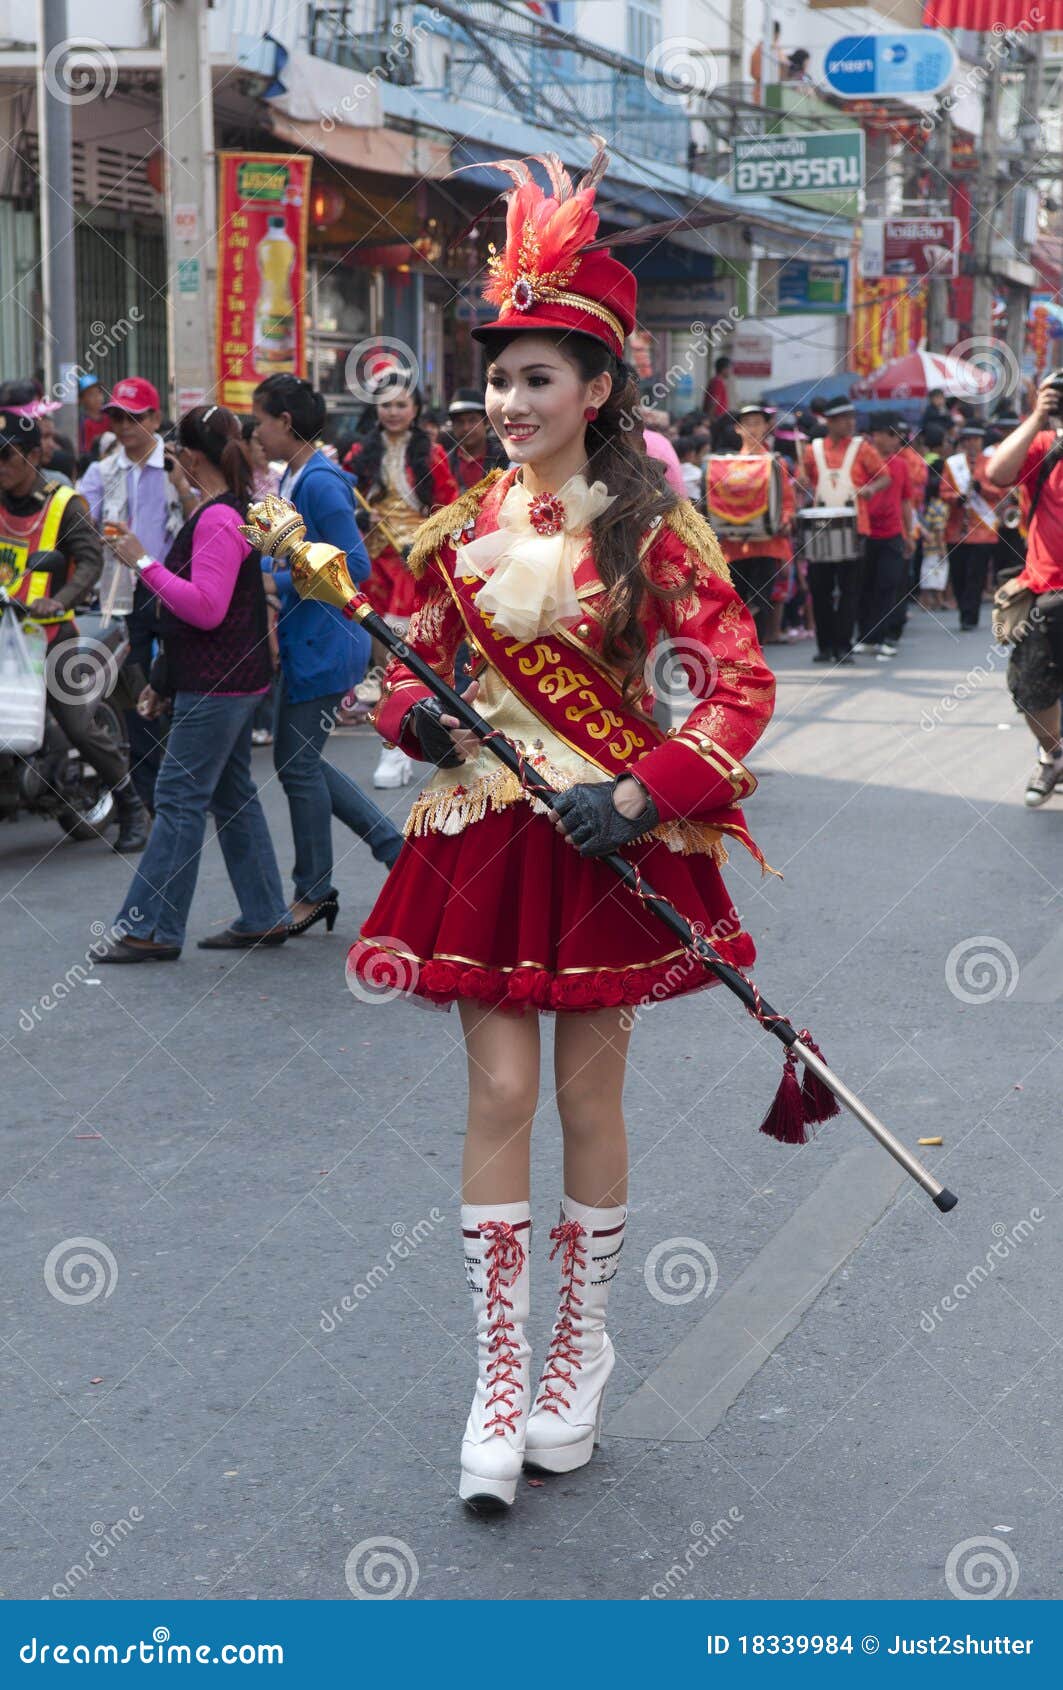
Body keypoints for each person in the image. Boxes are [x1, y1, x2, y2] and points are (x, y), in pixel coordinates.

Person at [337, 142, 775, 1509]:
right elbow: (397, 667)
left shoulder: (654, 530)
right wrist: (404, 718)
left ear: (597, 387)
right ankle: (495, 1374)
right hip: (485, 828)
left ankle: (576, 1353)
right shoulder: (457, 528)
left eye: (536, 375)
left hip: (605, 832)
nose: (507, 397)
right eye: (497, 374)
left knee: (589, 1093)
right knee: (499, 1092)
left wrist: (640, 792)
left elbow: (734, 683)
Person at [95, 405, 289, 961]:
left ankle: (151, 928)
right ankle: (264, 912)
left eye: (175, 456)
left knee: (178, 799)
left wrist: (143, 562)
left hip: (220, 684)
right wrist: (165, 679)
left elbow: (204, 610)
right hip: (223, 679)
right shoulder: (222, 512)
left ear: (190, 457)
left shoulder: (218, 518)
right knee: (230, 795)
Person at [251, 373, 404, 926]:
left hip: (324, 641)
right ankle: (393, 852)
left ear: (285, 422)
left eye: (261, 421)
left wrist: (278, 583)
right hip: (304, 639)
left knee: (296, 766)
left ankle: (315, 889)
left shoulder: (320, 482)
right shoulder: (292, 478)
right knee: (302, 763)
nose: (256, 432)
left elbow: (354, 566)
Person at [0, 408, 149, 850]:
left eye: (6, 458)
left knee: (81, 727)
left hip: (48, 634)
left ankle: (131, 806)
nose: (0, 467)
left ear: (30, 457)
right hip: (4, 635)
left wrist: (59, 599)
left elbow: (89, 561)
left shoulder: (63, 503)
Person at [79, 377, 198, 811]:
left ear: (154, 417)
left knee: (180, 687)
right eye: (116, 417)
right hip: (120, 594)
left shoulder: (178, 464)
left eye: (133, 417)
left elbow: (204, 521)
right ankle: (150, 798)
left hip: (174, 592)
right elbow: (82, 522)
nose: (124, 426)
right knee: (134, 693)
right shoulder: (101, 470)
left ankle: (187, 786)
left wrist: (183, 486)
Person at [343, 379, 458, 785]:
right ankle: (391, 740)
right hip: (373, 564)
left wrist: (425, 536)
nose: (392, 411)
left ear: (415, 408)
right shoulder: (359, 454)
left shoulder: (434, 453)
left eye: (400, 404)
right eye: (385, 404)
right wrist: (362, 518)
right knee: (382, 660)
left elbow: (450, 508)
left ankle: (403, 741)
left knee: (410, 656)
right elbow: (344, 501)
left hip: (415, 564)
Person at [985, 381, 1063, 805]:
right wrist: (1038, 416)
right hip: (1045, 591)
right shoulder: (1045, 445)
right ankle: (1053, 755)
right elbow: (996, 474)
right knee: (1029, 687)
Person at [800, 399, 890, 663]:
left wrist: (872, 489)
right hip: (820, 525)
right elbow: (802, 479)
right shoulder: (812, 450)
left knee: (850, 589)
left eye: (852, 417)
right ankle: (824, 645)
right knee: (820, 587)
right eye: (843, 418)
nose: (850, 422)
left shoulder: (863, 449)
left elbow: (884, 476)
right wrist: (802, 482)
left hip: (855, 526)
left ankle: (843, 645)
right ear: (829, 422)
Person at [709, 403, 795, 644]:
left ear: (767, 427)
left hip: (766, 544)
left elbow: (787, 501)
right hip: (734, 546)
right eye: (747, 423)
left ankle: (757, 656)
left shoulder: (776, 463)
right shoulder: (726, 465)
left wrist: (786, 520)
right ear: (738, 429)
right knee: (736, 603)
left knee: (762, 603)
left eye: (758, 423)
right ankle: (739, 655)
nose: (753, 428)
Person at [854, 417, 915, 660]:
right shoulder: (860, 464)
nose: (894, 441)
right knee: (865, 586)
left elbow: (906, 501)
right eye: (890, 435)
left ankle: (890, 636)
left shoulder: (900, 465)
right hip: (865, 532)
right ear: (876, 436)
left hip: (892, 533)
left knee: (890, 585)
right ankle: (868, 637)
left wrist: (909, 534)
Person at [940, 424, 1004, 630]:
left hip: (983, 531)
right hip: (956, 530)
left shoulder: (991, 463)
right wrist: (956, 498)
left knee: (975, 575)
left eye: (975, 440)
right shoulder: (952, 465)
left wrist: (982, 489)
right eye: (967, 440)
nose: (972, 444)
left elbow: (1001, 491)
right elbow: (943, 492)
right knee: (958, 574)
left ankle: (970, 616)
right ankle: (963, 608)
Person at [444, 389, 507, 489]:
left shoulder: (504, 459)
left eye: (472, 420)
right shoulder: (445, 462)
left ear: (486, 423)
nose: (466, 428)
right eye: (460, 422)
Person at [78, 374, 110, 463]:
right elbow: (84, 451)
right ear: (81, 399)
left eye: (99, 392)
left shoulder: (110, 418)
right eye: (91, 394)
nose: (97, 397)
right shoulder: (83, 422)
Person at [704, 355, 734, 447]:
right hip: (717, 420)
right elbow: (714, 401)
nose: (730, 371)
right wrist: (710, 419)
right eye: (729, 368)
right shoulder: (718, 382)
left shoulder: (716, 381)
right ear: (724, 369)